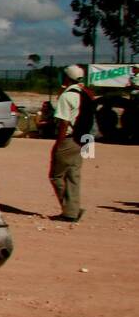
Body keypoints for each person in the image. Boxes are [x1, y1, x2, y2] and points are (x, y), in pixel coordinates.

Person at [49, 64, 91, 223]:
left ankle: (69, 211)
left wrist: (58, 144)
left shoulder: (67, 96)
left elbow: (64, 123)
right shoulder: (85, 94)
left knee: (56, 176)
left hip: (69, 139)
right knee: (74, 175)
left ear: (67, 77)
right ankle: (74, 208)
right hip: (84, 138)